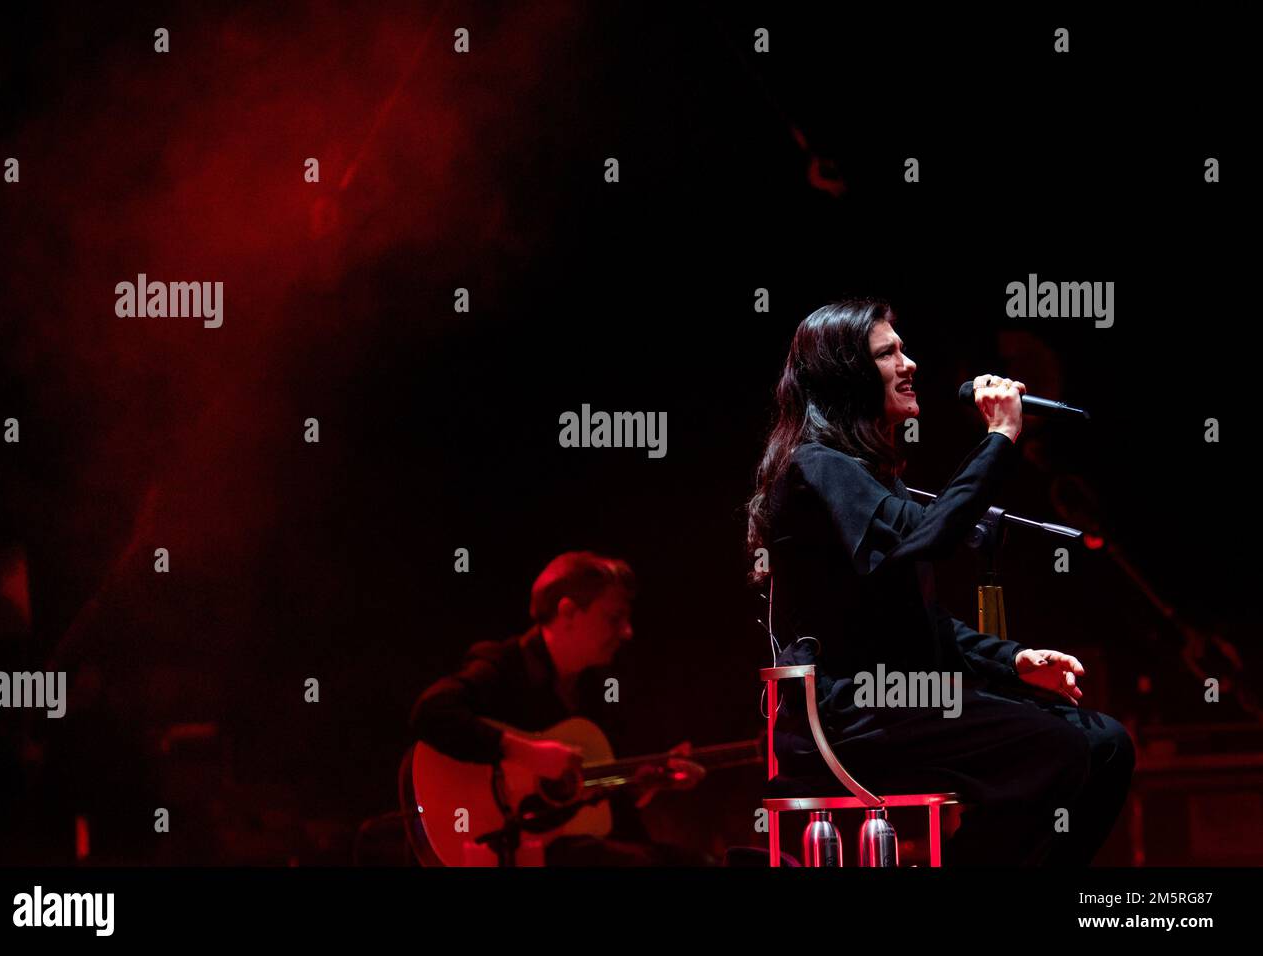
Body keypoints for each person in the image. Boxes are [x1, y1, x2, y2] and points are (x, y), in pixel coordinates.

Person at [746, 299, 1134, 865]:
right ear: (848, 376)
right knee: (1053, 749)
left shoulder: (868, 476)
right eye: (889, 353)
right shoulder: (817, 467)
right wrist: (1000, 437)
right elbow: (930, 539)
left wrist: (1015, 660)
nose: (910, 364)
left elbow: (922, 621)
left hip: (902, 698)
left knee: (1106, 745)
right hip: (849, 712)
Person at [409, 551, 707, 865]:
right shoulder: (504, 666)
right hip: (509, 849)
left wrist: (639, 785)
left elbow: (579, 802)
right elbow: (431, 712)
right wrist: (527, 752)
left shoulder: (593, 691)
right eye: (613, 618)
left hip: (565, 845)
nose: (627, 631)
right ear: (568, 613)